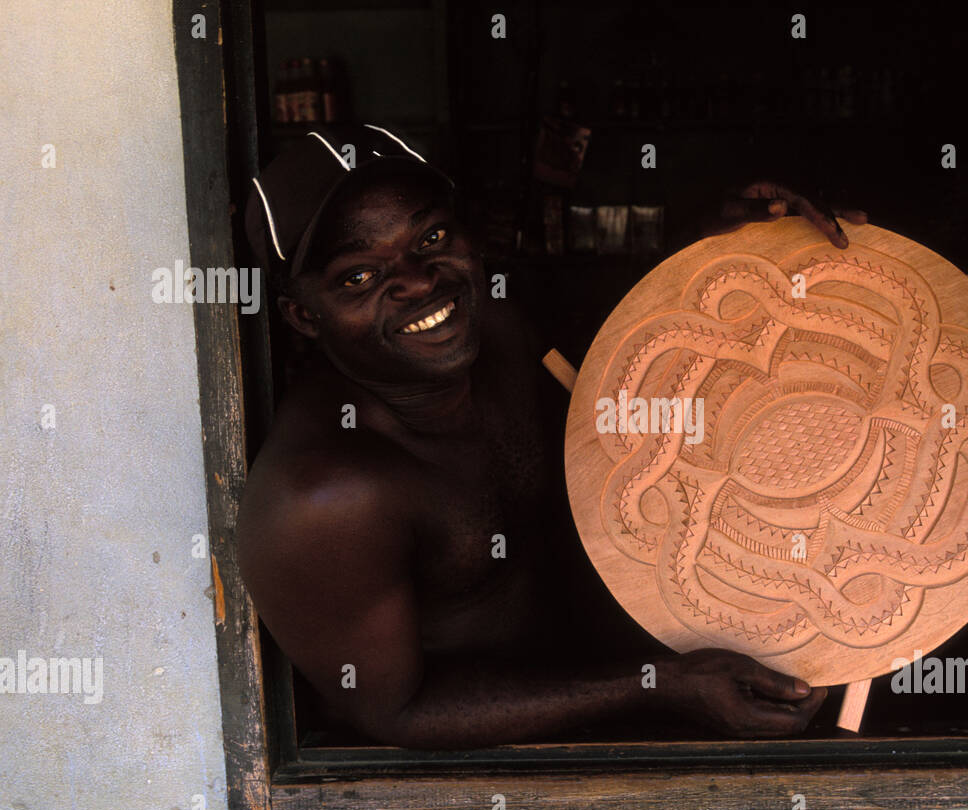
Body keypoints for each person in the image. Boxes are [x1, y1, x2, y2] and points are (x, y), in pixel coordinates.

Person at [237, 124, 865, 749]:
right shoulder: (322, 497)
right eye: (359, 277)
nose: (420, 281)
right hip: (483, 788)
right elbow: (394, 712)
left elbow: (641, 352)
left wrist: (724, 243)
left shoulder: (504, 331)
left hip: (644, 691)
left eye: (430, 237)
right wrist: (658, 685)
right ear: (303, 316)